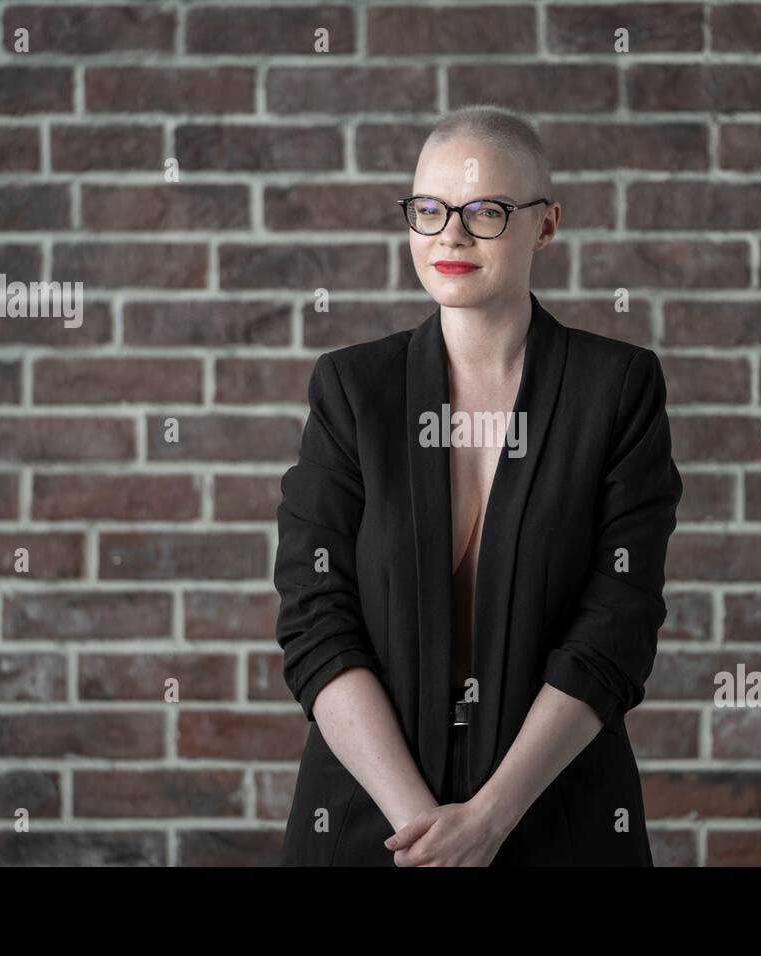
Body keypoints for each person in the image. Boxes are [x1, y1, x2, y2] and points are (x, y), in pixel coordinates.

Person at [274, 104, 682, 866]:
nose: (450, 236)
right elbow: (315, 623)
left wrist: (490, 819)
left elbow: (614, 631)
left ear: (547, 224)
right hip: (372, 824)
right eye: (428, 210)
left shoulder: (617, 388)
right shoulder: (352, 389)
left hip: (554, 816)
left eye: (486, 211)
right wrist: (427, 831)